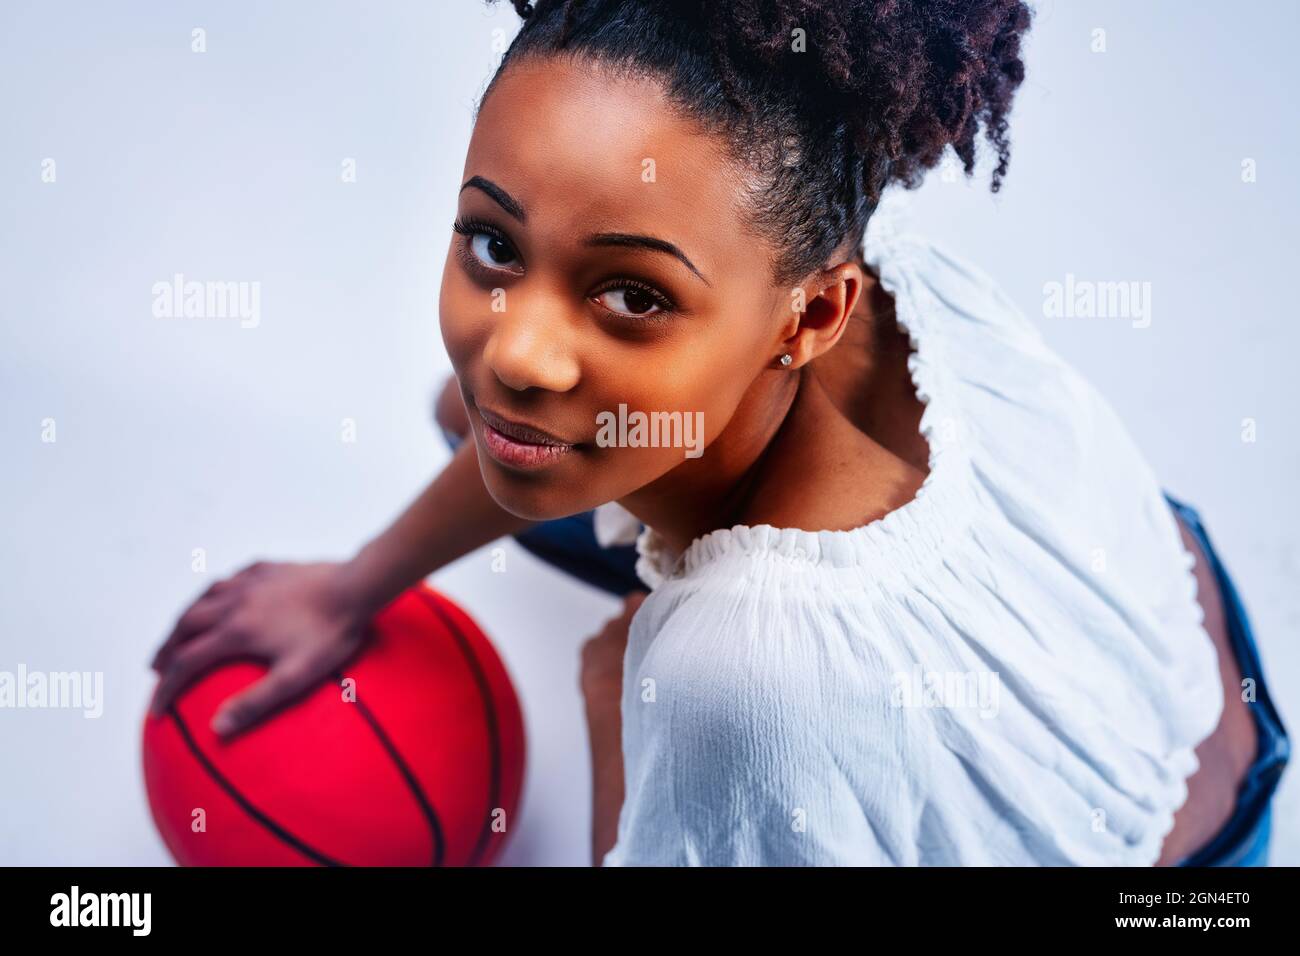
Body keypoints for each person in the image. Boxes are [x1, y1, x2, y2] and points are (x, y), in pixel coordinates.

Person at [150, 0, 1288, 866]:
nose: (516, 351)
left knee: (633, 654)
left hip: (1168, 852)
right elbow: (514, 408)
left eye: (633, 294)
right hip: (1167, 612)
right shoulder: (881, 282)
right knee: (480, 419)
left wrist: (617, 713)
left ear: (810, 312)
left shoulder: (735, 676)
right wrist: (359, 583)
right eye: (494, 246)